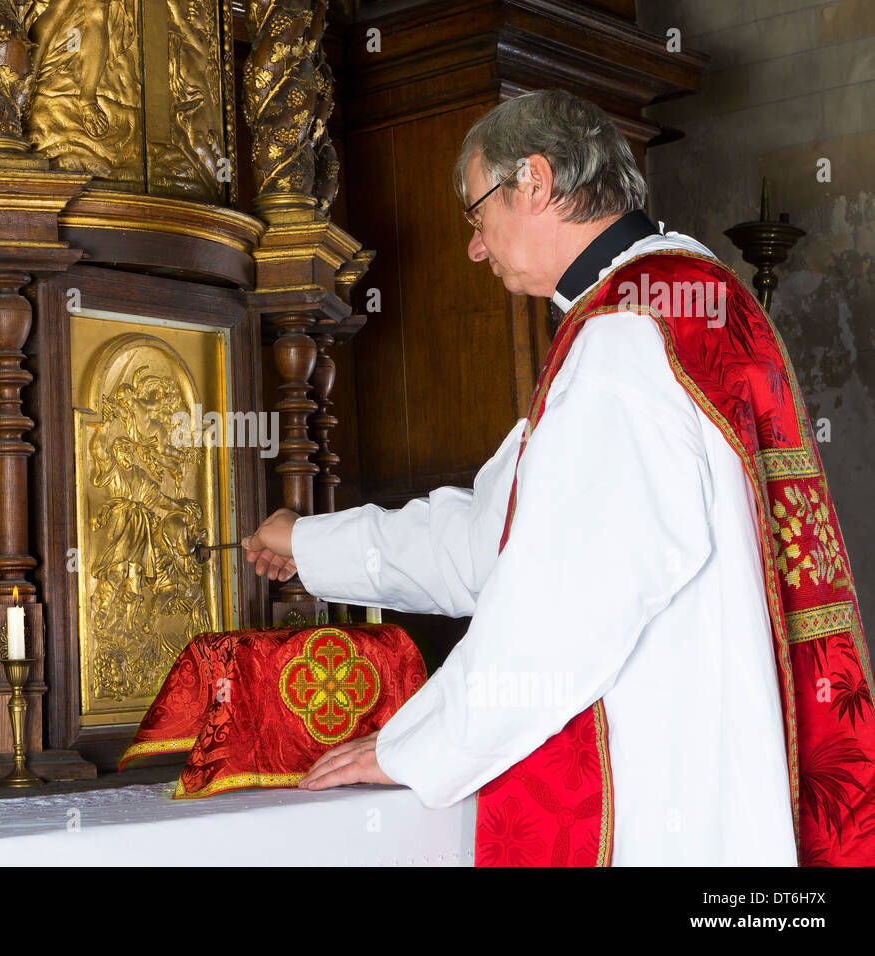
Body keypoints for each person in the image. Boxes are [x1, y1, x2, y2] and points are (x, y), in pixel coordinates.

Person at [241, 88, 875, 866]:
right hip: (730, 761)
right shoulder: (693, 303)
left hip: (665, 783)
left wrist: (419, 747)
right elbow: (496, 535)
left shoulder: (625, 336)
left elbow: (564, 602)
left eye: (476, 214)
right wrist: (310, 544)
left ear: (534, 182)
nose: (475, 247)